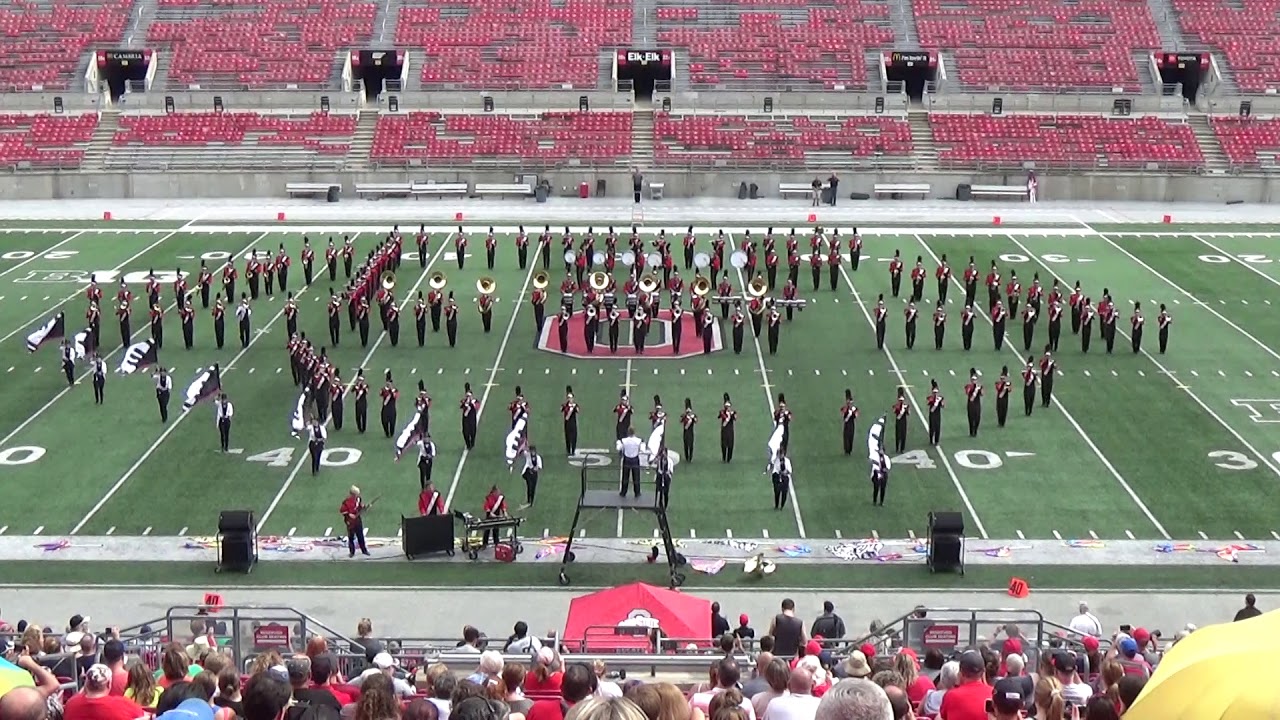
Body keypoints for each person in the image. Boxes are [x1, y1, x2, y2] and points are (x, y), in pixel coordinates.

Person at [63, 664, 146, 720]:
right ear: (109, 683)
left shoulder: (71, 704)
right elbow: (143, 716)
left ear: (86, 683)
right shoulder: (125, 704)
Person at [936, 650, 989, 720]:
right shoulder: (993, 693)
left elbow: (942, 717)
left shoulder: (951, 695)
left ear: (960, 672)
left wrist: (957, 684)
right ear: (983, 672)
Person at [341, 485, 371, 558]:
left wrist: (365, 507)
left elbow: (360, 507)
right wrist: (349, 514)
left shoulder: (358, 499)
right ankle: (352, 552)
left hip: (357, 520)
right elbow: (342, 510)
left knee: (360, 535)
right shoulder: (346, 501)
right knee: (351, 537)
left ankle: (364, 550)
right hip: (350, 521)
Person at [617, 427, 644, 498]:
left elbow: (618, 448)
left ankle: (623, 492)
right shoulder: (638, 440)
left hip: (627, 459)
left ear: (628, 432)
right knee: (636, 477)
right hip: (635, 459)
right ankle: (637, 493)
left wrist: (619, 443)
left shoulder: (624, 440)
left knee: (625, 477)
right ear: (634, 432)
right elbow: (643, 450)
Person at [521, 444, 543, 509]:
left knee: (533, 488)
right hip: (528, 473)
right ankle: (528, 500)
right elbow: (523, 451)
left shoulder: (538, 458)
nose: (532, 452)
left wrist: (535, 469)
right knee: (529, 486)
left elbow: (539, 467)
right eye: (531, 451)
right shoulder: (528, 455)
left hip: (534, 474)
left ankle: (531, 501)